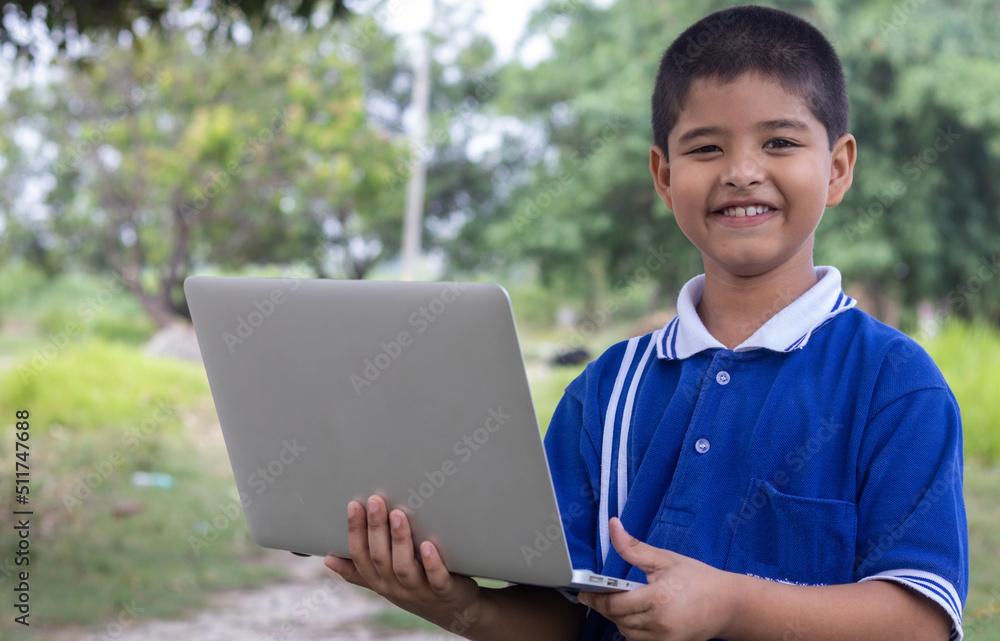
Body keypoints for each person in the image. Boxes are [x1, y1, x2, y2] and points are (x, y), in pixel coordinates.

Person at [325, 5, 969, 640]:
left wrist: (730, 605)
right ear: (664, 175)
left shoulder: (894, 384)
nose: (742, 171)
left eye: (779, 141)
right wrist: (449, 603)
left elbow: (920, 619)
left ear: (837, 168)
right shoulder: (605, 391)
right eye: (707, 147)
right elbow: (562, 615)